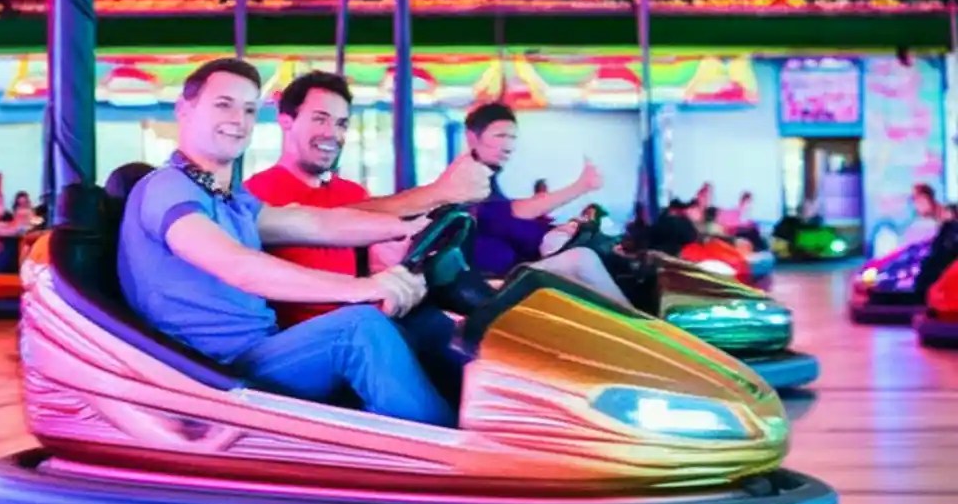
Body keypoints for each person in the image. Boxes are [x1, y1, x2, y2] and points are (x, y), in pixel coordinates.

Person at [118, 58, 453, 426]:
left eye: (248, 109)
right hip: (215, 374)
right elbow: (240, 267)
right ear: (185, 109)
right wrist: (362, 288)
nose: (239, 120)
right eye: (223, 104)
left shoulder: (228, 196)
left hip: (259, 350)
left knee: (426, 328)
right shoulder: (166, 188)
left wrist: (402, 227)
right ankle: (455, 465)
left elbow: (314, 223)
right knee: (359, 328)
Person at [244, 71, 491, 406]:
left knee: (462, 332)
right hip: (316, 344)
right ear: (286, 120)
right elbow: (326, 220)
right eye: (320, 119)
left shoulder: (350, 190)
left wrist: (408, 265)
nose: (333, 133)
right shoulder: (259, 194)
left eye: (342, 123)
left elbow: (377, 247)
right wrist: (439, 191)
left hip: (374, 318)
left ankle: (513, 420)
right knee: (423, 335)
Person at [462, 103, 634, 305]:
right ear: (472, 137)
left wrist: (560, 228)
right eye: (500, 136)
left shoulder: (488, 177)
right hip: (492, 282)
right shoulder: (468, 177)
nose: (508, 145)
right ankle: (643, 330)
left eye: (512, 138)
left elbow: (513, 218)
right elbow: (512, 213)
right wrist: (581, 186)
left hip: (513, 271)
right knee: (580, 259)